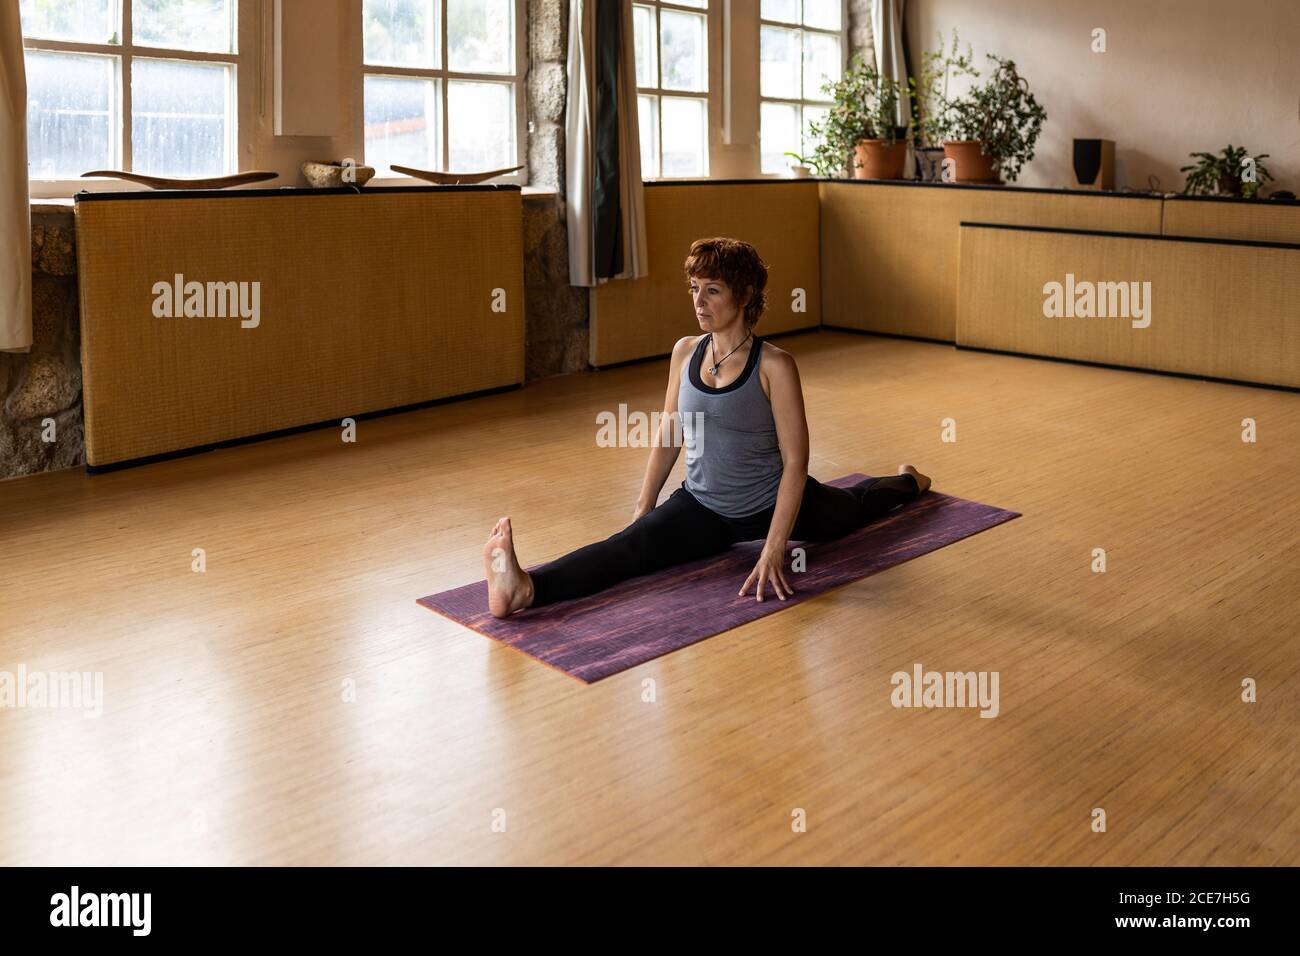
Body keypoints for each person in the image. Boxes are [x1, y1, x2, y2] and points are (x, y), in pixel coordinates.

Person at [484, 237, 931, 618]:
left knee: (853, 510)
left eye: (712, 291)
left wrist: (775, 547)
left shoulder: (775, 365)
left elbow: (796, 463)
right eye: (695, 289)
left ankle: (910, 480)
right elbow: (670, 432)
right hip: (703, 507)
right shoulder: (685, 352)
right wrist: (643, 508)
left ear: (745, 293)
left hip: (768, 503)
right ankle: (523, 588)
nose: (698, 302)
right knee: (627, 550)